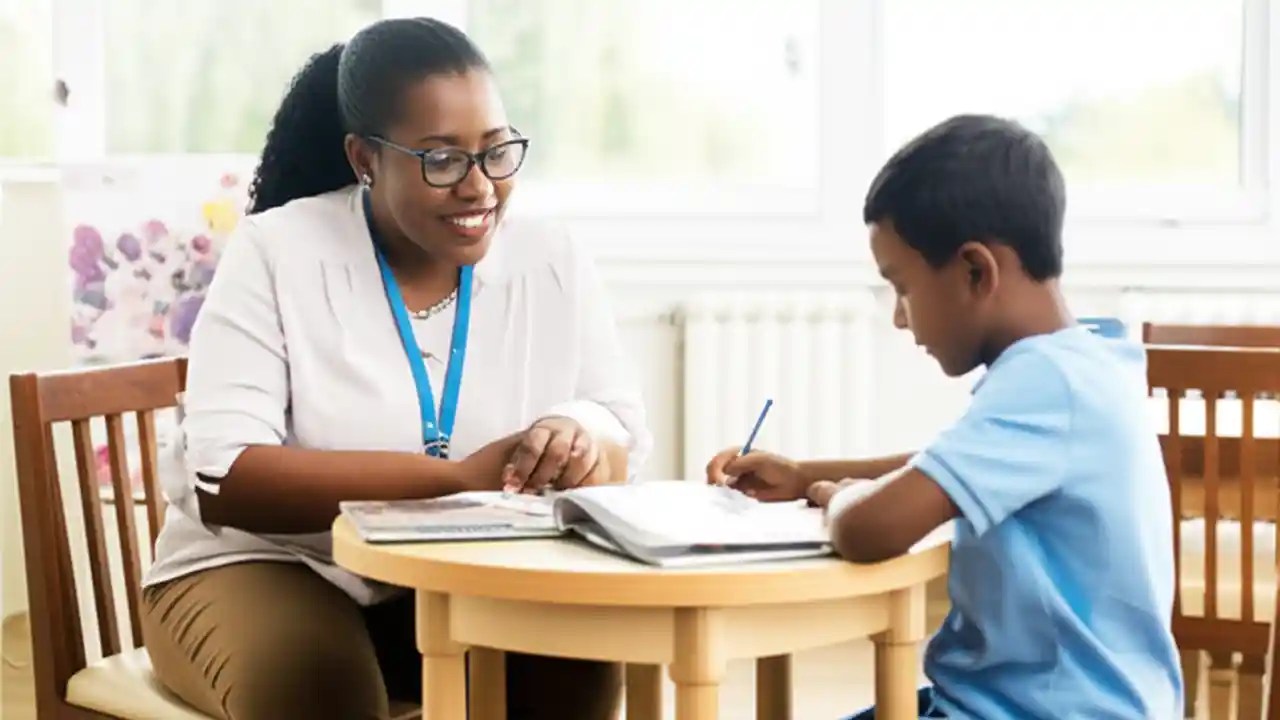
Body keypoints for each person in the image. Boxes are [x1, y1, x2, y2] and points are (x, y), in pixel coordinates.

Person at [140, 17, 651, 720]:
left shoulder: (551, 257)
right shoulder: (278, 251)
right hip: (272, 564)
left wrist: (577, 432)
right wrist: (455, 480)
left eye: (497, 153)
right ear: (365, 158)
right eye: (441, 160)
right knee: (318, 687)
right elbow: (228, 478)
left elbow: (622, 429)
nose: (479, 188)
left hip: (457, 576)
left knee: (576, 664)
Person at [706, 115, 1181, 719]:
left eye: (901, 287)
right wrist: (802, 473)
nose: (901, 318)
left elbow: (866, 532)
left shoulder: (1046, 383)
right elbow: (942, 468)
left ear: (976, 271)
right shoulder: (1083, 361)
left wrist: (834, 493)